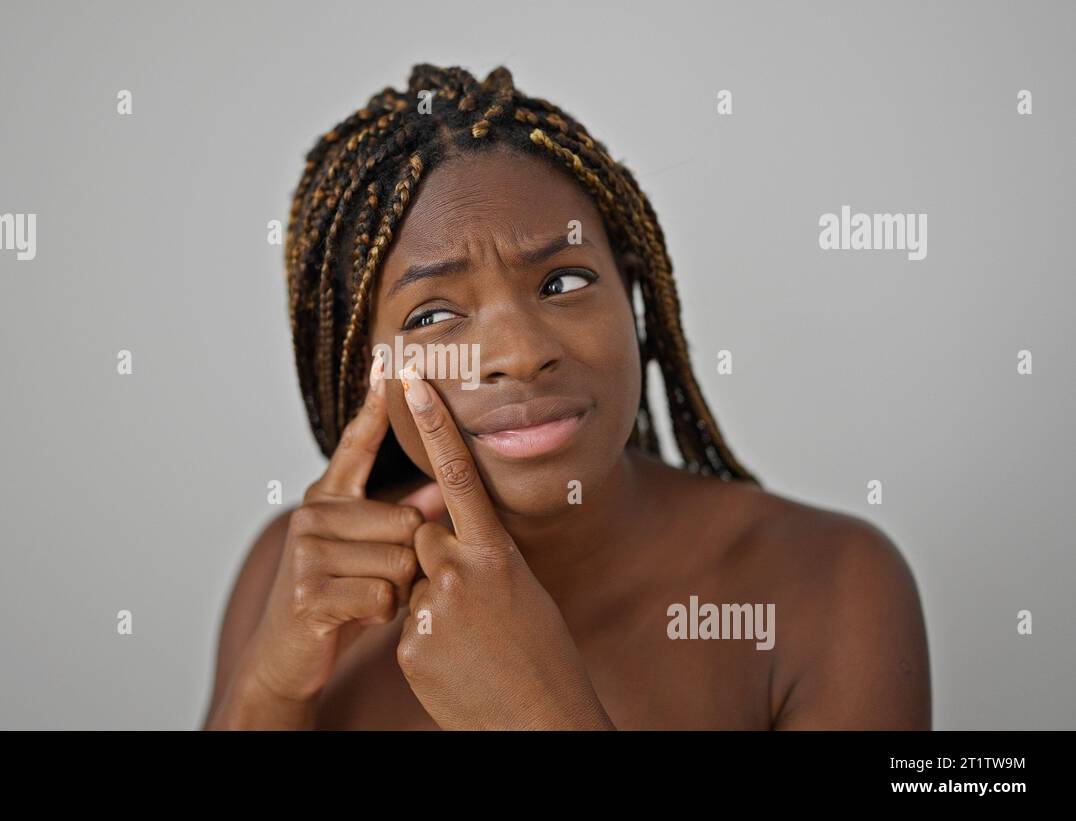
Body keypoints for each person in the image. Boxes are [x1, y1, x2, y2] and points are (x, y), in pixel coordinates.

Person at [202, 64, 931, 730]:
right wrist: (268, 689)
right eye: (432, 315)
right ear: (368, 368)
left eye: (564, 282)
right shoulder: (300, 579)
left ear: (634, 299)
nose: (521, 353)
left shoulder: (831, 590)